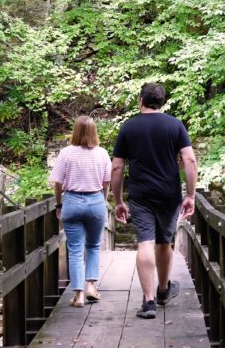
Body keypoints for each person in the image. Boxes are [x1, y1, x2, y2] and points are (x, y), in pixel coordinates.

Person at [110, 82, 197, 320]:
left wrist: (118, 201)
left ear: (141, 100)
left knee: (145, 243)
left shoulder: (129, 127)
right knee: (164, 242)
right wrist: (190, 195)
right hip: (169, 194)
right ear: (162, 102)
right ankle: (163, 290)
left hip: (140, 195)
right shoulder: (175, 125)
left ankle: (149, 302)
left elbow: (117, 167)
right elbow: (189, 160)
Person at [50, 116, 112, 307]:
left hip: (72, 202)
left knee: (75, 250)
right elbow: (106, 182)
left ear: (75, 131)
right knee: (93, 246)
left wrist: (59, 204)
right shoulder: (102, 153)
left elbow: (58, 183)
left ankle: (79, 296)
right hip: (95, 201)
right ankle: (91, 286)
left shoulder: (66, 153)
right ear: (94, 132)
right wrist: (103, 200)